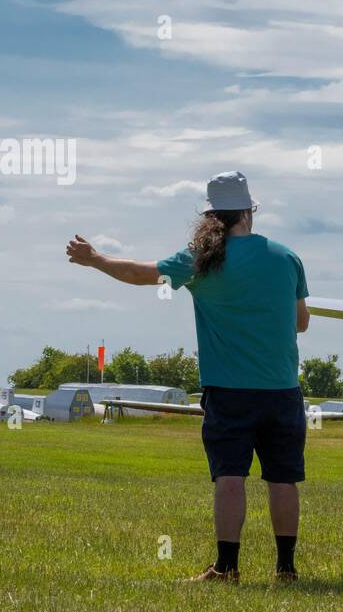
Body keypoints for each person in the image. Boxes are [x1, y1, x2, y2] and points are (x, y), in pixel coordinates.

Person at [65, 171, 310, 584]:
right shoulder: (287, 258)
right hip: (283, 391)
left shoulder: (202, 258)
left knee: (230, 477)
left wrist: (97, 259)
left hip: (229, 391)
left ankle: (227, 568)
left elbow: (143, 274)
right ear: (250, 212)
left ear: (212, 214)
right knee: (283, 479)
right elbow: (301, 323)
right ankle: (286, 569)